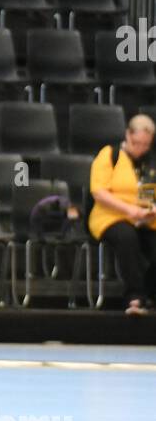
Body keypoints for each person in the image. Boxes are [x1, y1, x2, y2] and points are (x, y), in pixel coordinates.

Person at [89, 114, 156, 315]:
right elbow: (99, 192)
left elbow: (149, 194)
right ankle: (134, 297)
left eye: (145, 144)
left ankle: (151, 295)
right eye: (136, 143)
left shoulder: (150, 164)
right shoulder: (110, 155)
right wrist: (130, 211)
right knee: (127, 237)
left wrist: (150, 210)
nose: (140, 148)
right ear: (128, 134)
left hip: (146, 219)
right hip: (111, 216)